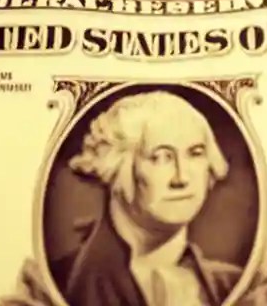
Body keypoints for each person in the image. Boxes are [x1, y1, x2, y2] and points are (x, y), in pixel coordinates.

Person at [49, 90, 244, 306]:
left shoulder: (235, 285)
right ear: (117, 166)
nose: (181, 178)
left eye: (195, 153)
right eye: (160, 157)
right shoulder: (59, 283)